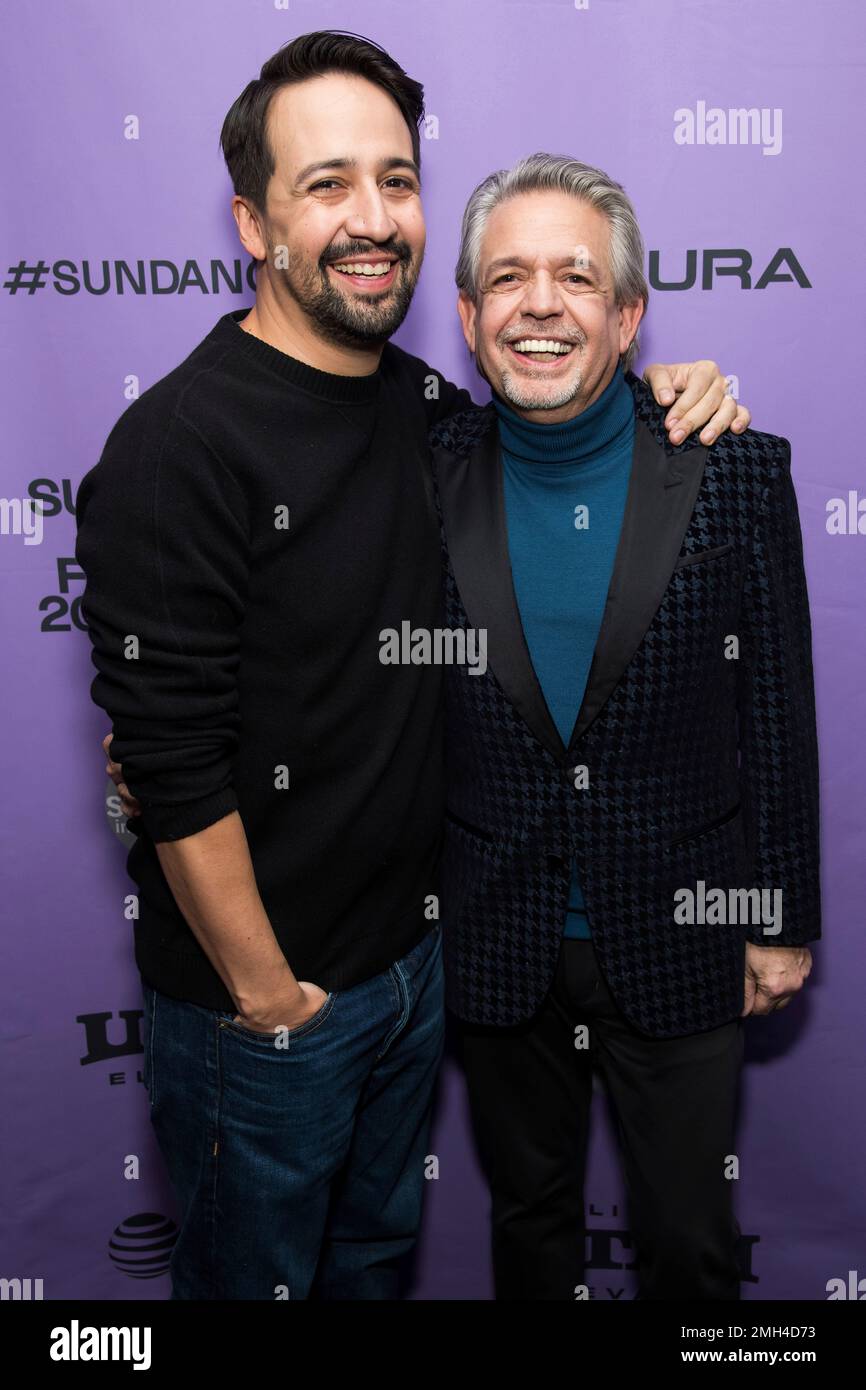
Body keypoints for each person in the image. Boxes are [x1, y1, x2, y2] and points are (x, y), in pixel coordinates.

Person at [84, 32, 749, 1301]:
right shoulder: (179, 443)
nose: (372, 216)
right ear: (252, 222)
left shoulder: (430, 417)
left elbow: (567, 428)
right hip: (266, 1013)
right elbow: (167, 761)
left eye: (395, 179)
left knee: (374, 1276)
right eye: (324, 183)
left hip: (417, 980)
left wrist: (670, 388)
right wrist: (272, 999)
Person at [430, 153, 820, 1300]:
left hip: (683, 929)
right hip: (496, 937)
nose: (538, 303)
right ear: (465, 314)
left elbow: (777, 715)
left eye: (574, 278)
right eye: (506, 278)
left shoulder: (734, 471)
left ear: (627, 316)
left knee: (690, 1246)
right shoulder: (418, 462)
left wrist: (780, 917)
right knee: (529, 1229)